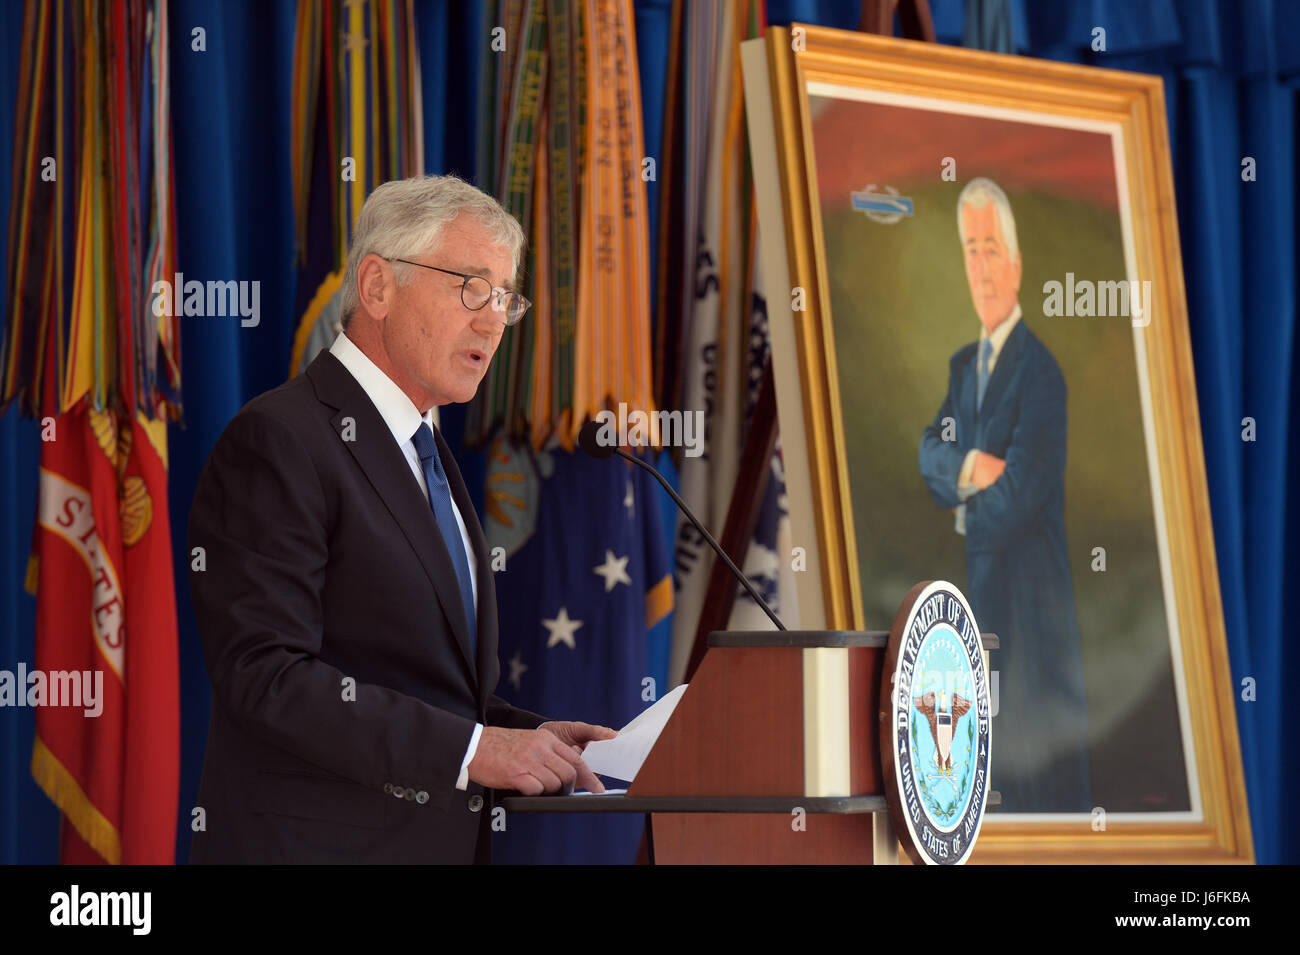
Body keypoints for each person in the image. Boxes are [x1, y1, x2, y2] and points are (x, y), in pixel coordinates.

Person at [187, 175, 615, 863]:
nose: (493, 319)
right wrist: (476, 748)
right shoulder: (279, 440)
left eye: (505, 296)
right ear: (379, 286)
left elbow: (417, 681)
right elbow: (265, 676)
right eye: (471, 286)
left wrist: (524, 736)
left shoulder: (426, 451)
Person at [918, 177, 1091, 813]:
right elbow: (926, 454)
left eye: (992, 248)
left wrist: (960, 507)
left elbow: (1019, 496)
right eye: (971, 249)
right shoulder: (965, 367)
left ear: (1015, 263)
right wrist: (971, 463)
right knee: (980, 787)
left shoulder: (1041, 374)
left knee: (1037, 792)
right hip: (977, 609)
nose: (981, 266)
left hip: (1031, 613)